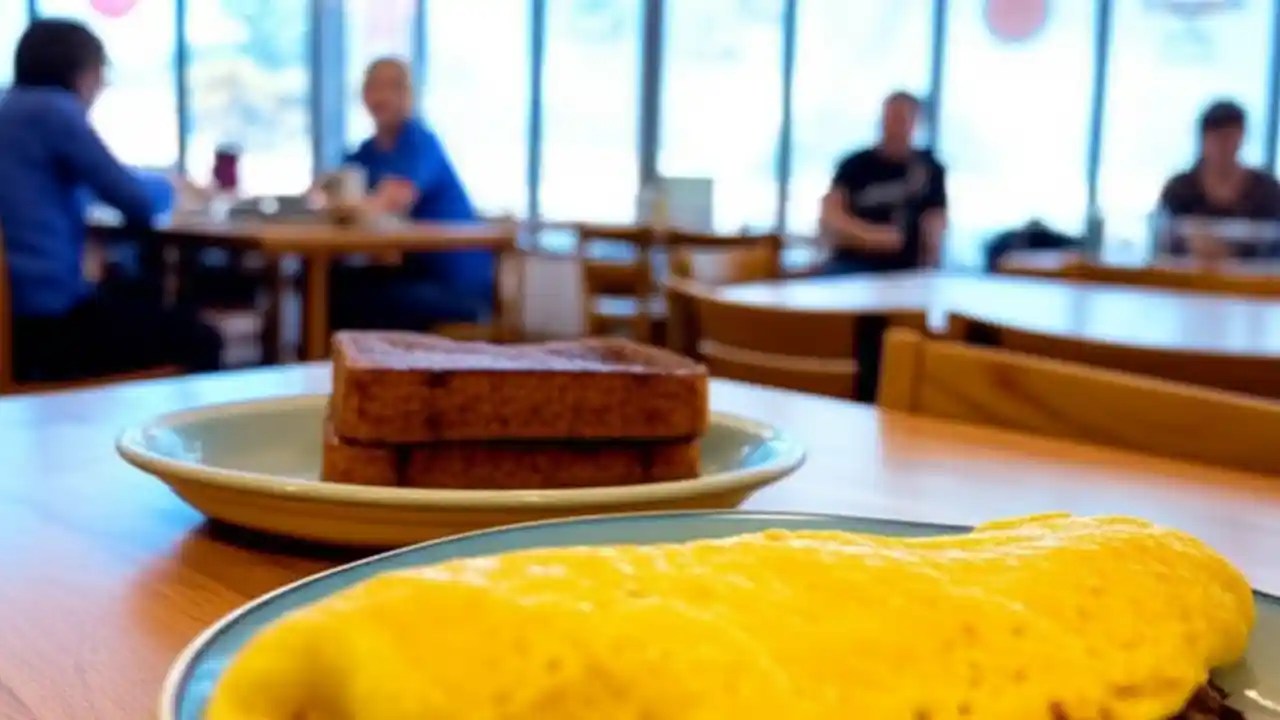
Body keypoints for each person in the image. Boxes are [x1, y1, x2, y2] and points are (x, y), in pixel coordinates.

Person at [0, 20, 221, 382]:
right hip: (43, 328)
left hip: (12, 320)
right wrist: (173, 187)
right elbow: (133, 199)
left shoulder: (10, 111)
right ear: (83, 74)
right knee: (198, 337)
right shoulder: (54, 112)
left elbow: (87, 184)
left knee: (129, 293)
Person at [331, 57, 494, 332]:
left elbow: (393, 198)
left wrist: (349, 207)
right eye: (374, 87)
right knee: (335, 283)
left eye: (393, 87)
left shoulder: (420, 143)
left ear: (409, 95)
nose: (382, 96)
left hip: (452, 284)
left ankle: (354, 369)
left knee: (357, 298)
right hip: (412, 270)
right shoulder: (367, 152)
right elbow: (331, 192)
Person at [819, 92, 947, 274]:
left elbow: (935, 220)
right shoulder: (854, 165)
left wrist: (930, 262)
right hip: (853, 264)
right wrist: (871, 236)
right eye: (890, 116)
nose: (894, 125)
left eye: (902, 118)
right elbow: (830, 217)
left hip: (906, 269)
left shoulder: (929, 168)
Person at [1158, 100, 1280, 258]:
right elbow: (1164, 246)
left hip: (1253, 280)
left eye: (1230, 138)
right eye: (1217, 138)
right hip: (1188, 279)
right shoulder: (1180, 189)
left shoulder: (1266, 190)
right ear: (1202, 139)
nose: (1223, 146)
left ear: (1242, 137)